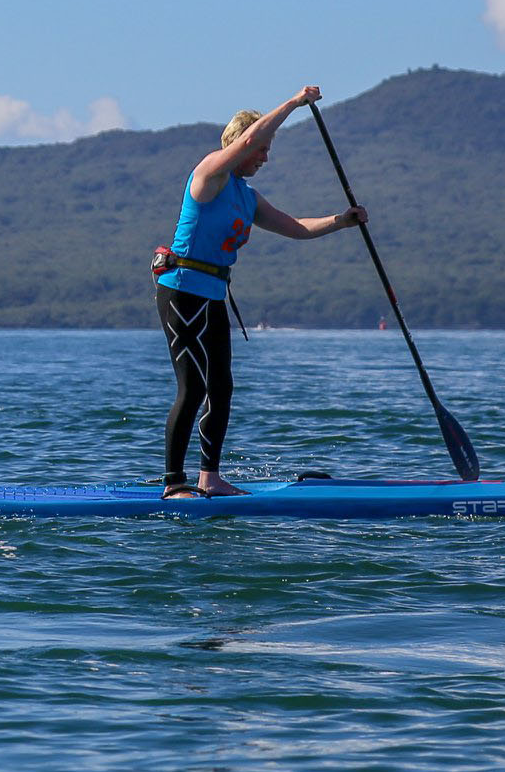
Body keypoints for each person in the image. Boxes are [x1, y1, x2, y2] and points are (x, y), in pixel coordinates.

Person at [154, 86, 366, 499]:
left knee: (222, 387)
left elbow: (296, 227)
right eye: (263, 149)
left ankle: (208, 478)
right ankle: (173, 483)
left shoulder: (246, 197)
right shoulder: (210, 175)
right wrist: (293, 103)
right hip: (182, 292)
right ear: (240, 145)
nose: (265, 157)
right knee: (192, 388)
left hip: (214, 295)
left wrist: (343, 221)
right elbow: (250, 138)